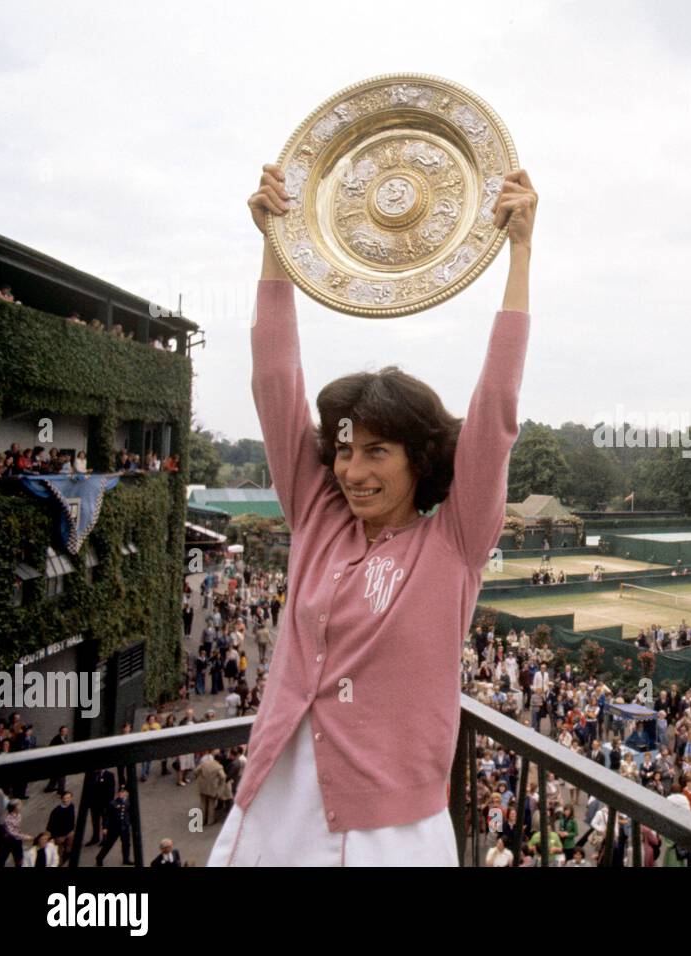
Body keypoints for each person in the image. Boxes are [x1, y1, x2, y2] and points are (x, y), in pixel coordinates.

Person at [208, 161, 537, 867]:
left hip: (395, 832)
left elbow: (495, 415)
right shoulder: (317, 515)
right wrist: (277, 240)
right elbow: (275, 380)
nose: (353, 472)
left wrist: (521, 252)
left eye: (378, 452)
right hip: (274, 802)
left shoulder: (453, 543)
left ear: (420, 457)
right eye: (346, 451)